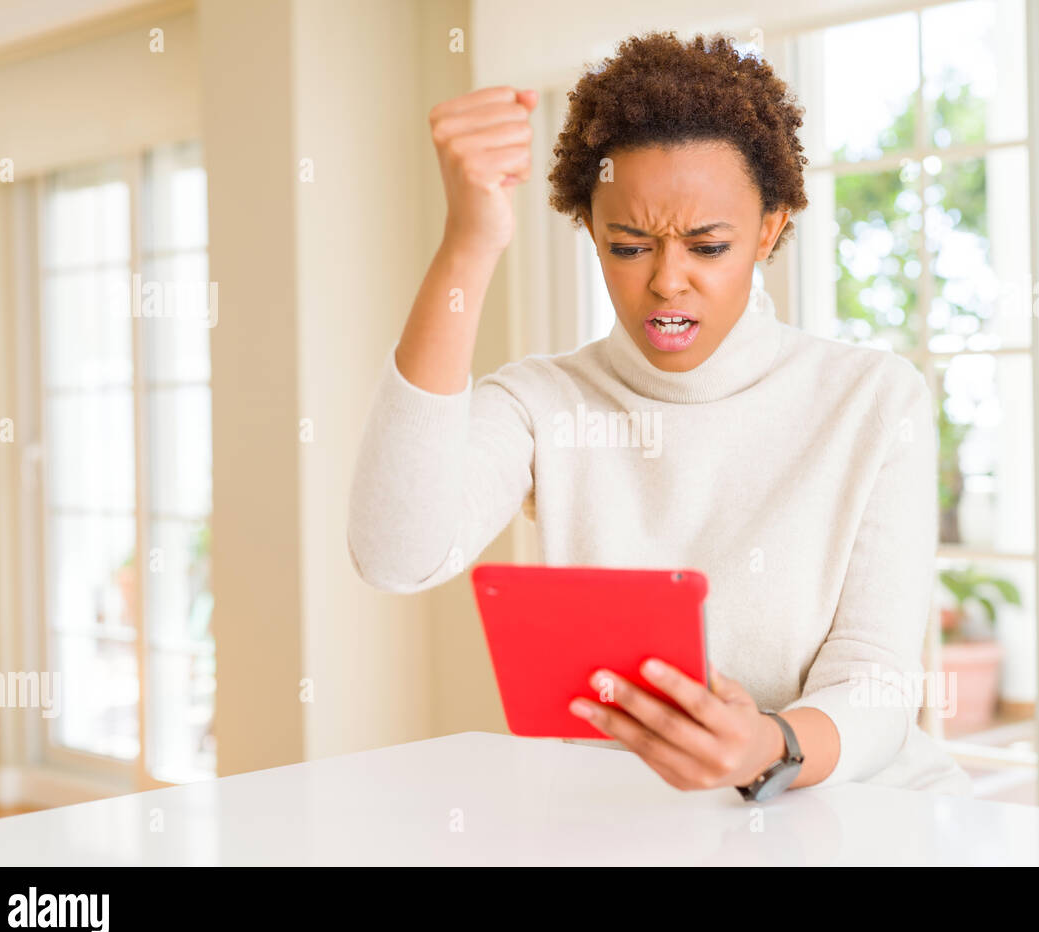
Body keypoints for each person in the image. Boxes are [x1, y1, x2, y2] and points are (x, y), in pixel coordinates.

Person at [348, 30, 972, 799]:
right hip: (650, 826)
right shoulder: (548, 404)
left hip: (861, 816)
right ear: (591, 231)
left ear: (769, 229)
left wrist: (767, 745)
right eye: (628, 244)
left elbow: (877, 682)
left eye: (708, 246)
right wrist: (468, 244)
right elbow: (395, 552)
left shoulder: (873, 399)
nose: (667, 281)